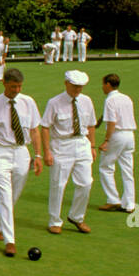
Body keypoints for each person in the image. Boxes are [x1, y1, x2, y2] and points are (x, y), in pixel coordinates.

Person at [0, 68, 43, 257]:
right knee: (5, 195)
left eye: (20, 86)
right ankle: (9, 240)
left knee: (14, 195)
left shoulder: (28, 102)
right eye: (13, 86)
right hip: (1, 153)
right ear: (4, 83)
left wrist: (38, 156)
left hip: (22, 151)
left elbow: (35, 131)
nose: (17, 90)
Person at [39, 70, 97, 234]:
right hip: (61, 145)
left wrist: (92, 146)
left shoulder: (87, 101)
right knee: (58, 184)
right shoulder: (54, 102)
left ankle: (77, 216)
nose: (78, 89)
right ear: (66, 84)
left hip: (82, 143)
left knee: (86, 182)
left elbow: (91, 124)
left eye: (81, 86)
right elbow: (45, 127)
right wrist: (47, 151)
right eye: (75, 86)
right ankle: (54, 220)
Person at [97, 73, 137, 213]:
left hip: (117, 136)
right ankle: (130, 204)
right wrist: (97, 123)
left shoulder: (109, 101)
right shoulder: (126, 98)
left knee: (106, 167)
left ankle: (113, 200)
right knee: (127, 170)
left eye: (103, 84)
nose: (102, 87)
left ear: (108, 84)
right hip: (130, 135)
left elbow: (113, 121)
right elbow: (109, 115)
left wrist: (106, 141)